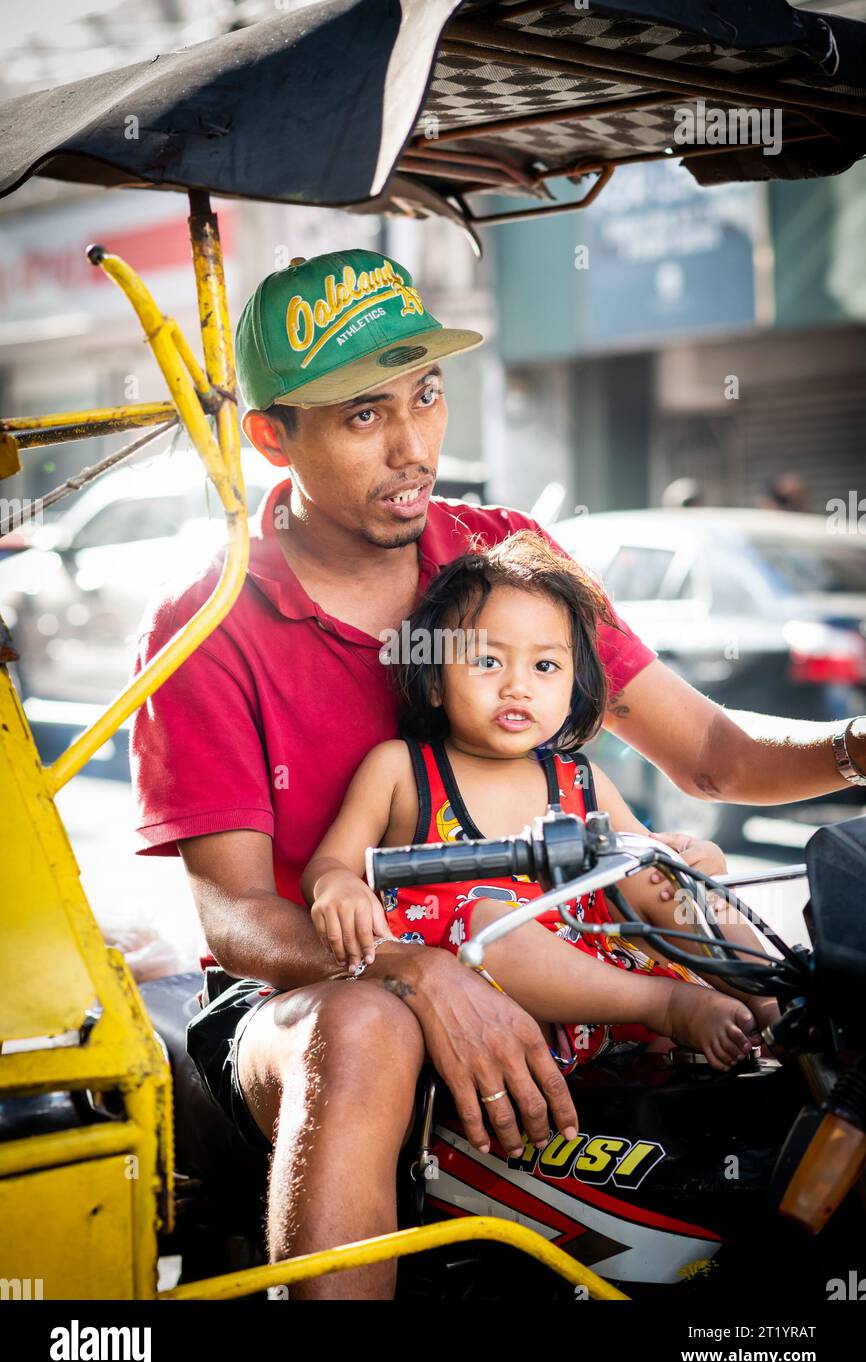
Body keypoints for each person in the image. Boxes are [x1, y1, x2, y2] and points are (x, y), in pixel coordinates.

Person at [131, 247, 866, 1298]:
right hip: (298, 1004)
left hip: (544, 953)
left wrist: (851, 748)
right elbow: (236, 916)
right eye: (360, 416)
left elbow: (710, 757)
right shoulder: (206, 623)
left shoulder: (505, 560)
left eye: (425, 397)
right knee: (367, 1025)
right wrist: (409, 967)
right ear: (270, 436)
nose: (411, 445)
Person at [301, 531, 774, 1075]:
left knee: (660, 877)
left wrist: (691, 860)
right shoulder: (401, 770)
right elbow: (330, 862)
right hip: (486, 988)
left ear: (575, 685)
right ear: (434, 683)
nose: (517, 687)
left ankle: (771, 1002)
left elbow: (644, 863)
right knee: (491, 923)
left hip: (597, 974)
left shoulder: (580, 778)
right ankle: (669, 1006)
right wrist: (335, 883)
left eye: (544, 667)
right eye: (487, 662)